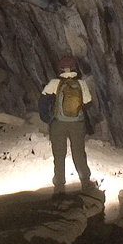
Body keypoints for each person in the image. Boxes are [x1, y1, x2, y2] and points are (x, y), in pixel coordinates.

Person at [39, 55, 100, 197]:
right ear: (74, 68)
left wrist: (48, 119)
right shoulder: (81, 84)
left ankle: (59, 184)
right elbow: (88, 104)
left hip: (58, 123)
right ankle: (85, 181)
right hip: (77, 124)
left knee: (59, 154)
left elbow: (42, 101)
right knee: (78, 152)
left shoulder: (54, 83)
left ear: (60, 69)